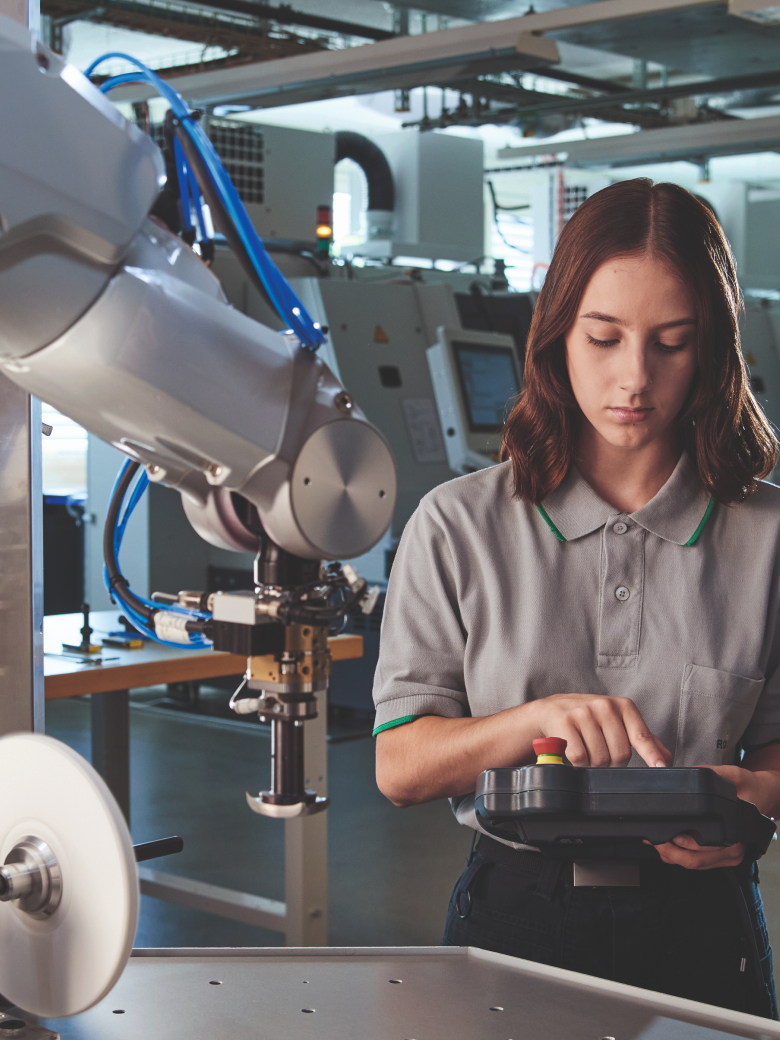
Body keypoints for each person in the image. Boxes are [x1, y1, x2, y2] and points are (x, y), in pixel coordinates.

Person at [373, 178, 780, 1019]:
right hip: (516, 918)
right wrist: (529, 724)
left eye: (673, 342)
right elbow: (399, 766)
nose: (634, 378)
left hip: (706, 929)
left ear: (713, 350)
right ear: (557, 336)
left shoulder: (768, 535)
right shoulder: (457, 525)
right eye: (604, 338)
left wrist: (754, 803)